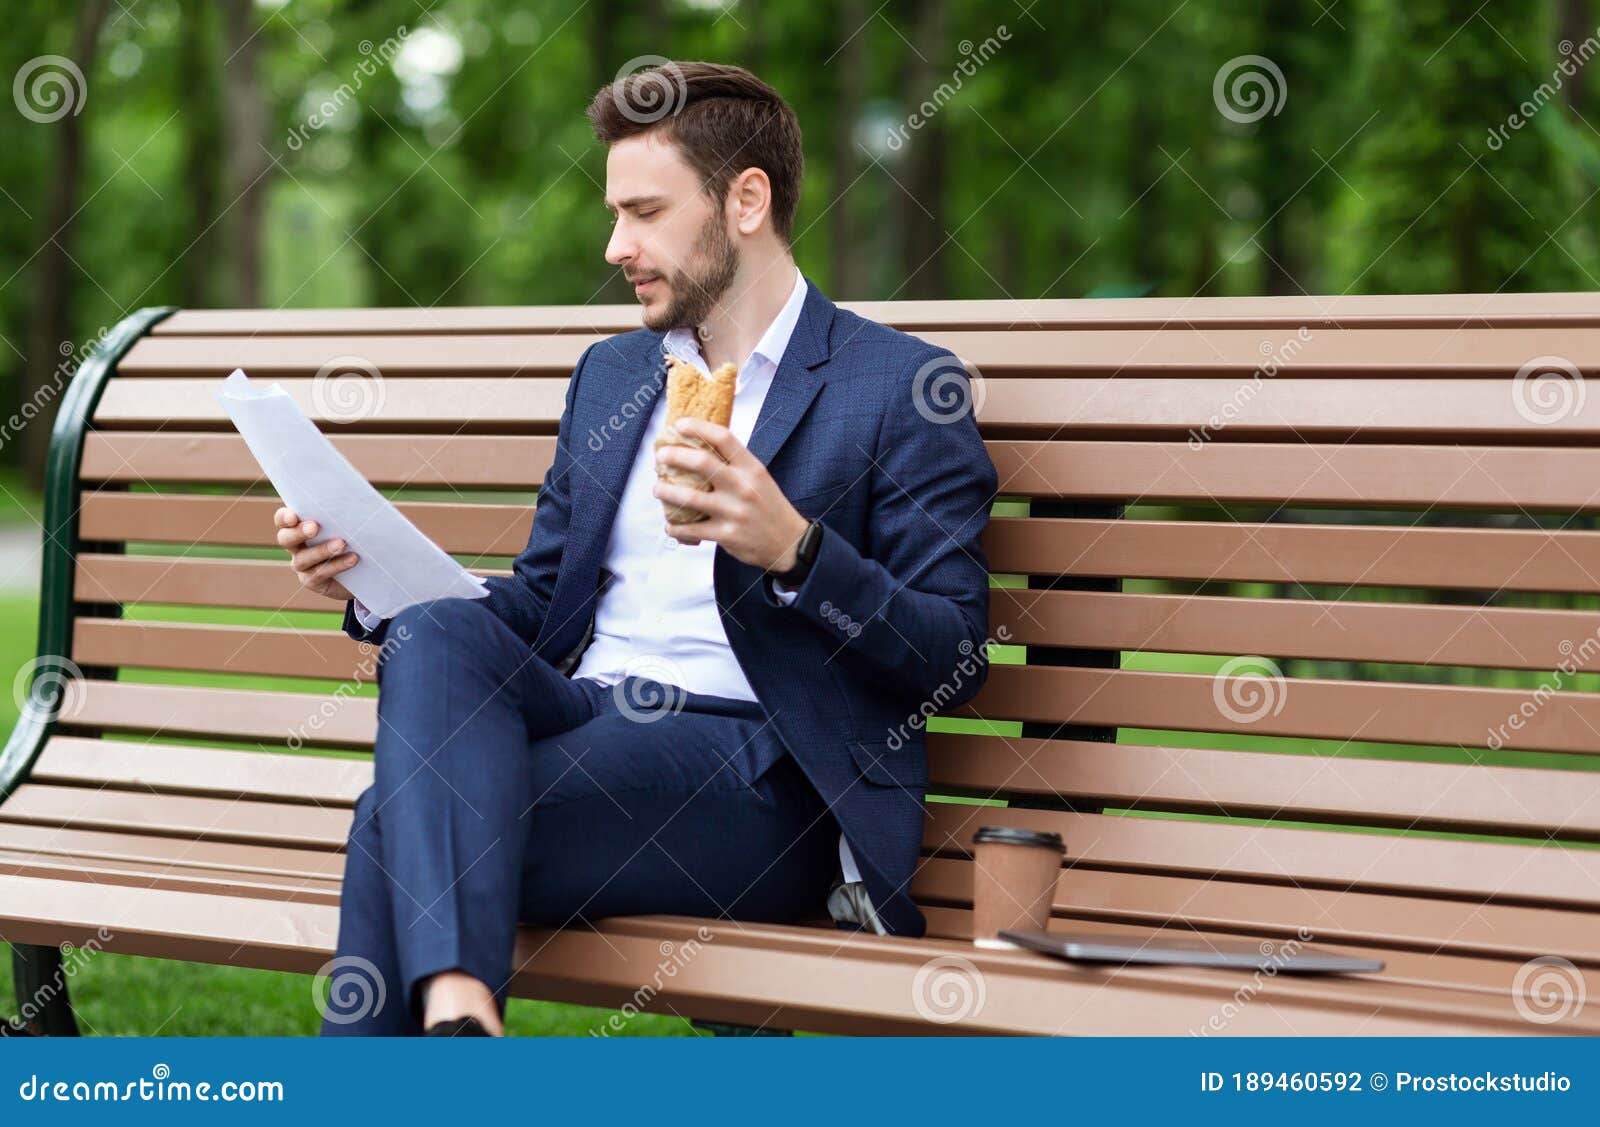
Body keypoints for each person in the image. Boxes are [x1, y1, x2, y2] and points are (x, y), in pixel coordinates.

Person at [276, 60, 997, 1036]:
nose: (616, 245)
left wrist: (793, 548)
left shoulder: (897, 387)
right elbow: (538, 605)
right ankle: (456, 1007)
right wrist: (368, 579)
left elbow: (954, 658)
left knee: (390, 822)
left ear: (746, 199)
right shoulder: (615, 374)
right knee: (437, 630)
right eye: (613, 212)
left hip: (766, 773)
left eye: (645, 211)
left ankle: (455, 1007)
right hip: (590, 713)